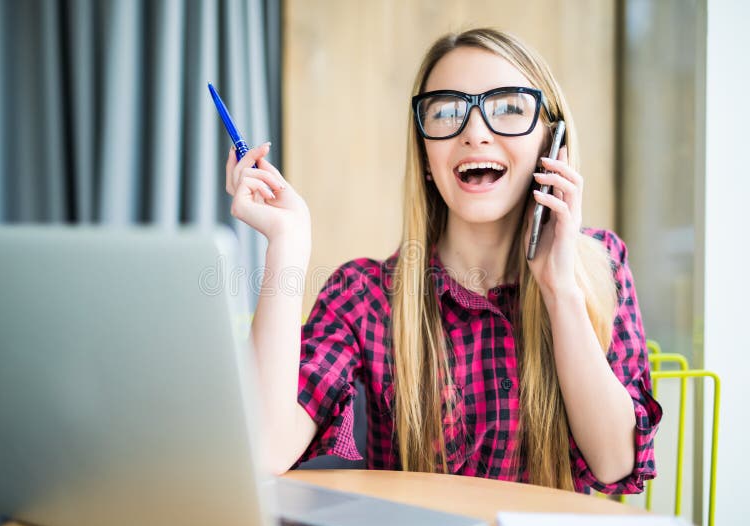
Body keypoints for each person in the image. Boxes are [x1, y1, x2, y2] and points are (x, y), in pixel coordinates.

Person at [224, 27, 661, 494]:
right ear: (426, 157)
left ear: (551, 146)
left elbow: (615, 462)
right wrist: (288, 242)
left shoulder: (601, 266)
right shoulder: (364, 296)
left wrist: (561, 291)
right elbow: (266, 449)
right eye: (447, 111)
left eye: (509, 108)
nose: (474, 133)